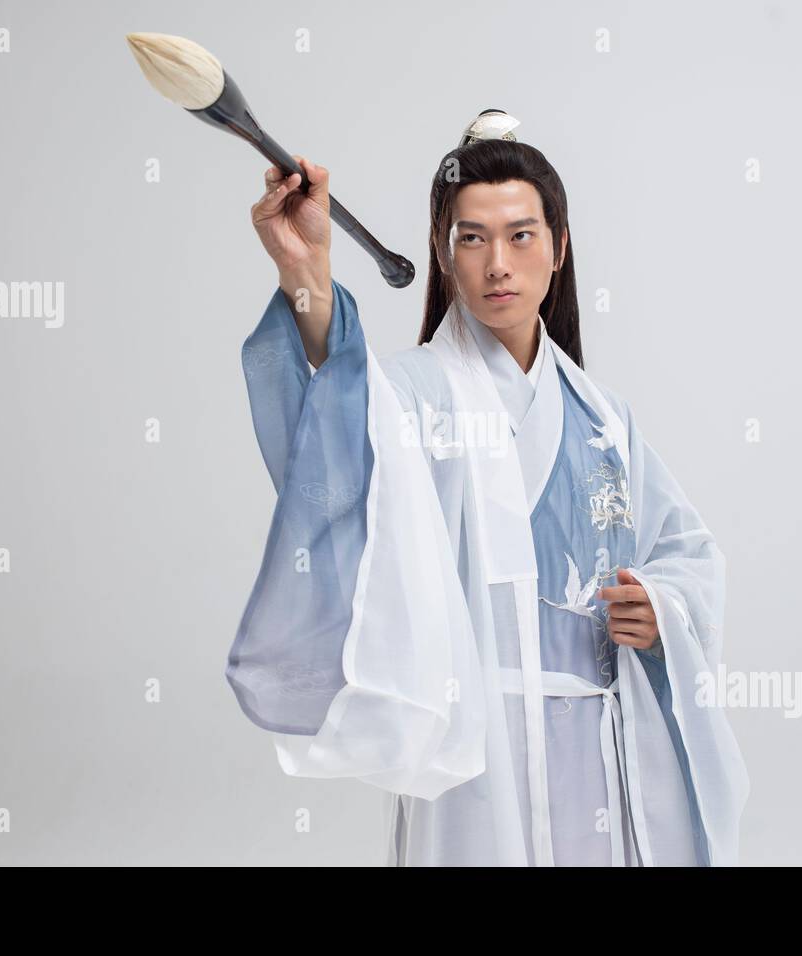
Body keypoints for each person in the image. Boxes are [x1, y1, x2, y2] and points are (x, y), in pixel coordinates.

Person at [226, 110, 749, 866]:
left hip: (605, 742)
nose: (497, 262)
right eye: (471, 238)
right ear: (445, 255)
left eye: (520, 235)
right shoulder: (414, 395)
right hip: (476, 745)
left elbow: (687, 551)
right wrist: (306, 273)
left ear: (559, 247)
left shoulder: (606, 419)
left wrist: (662, 605)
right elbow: (338, 444)